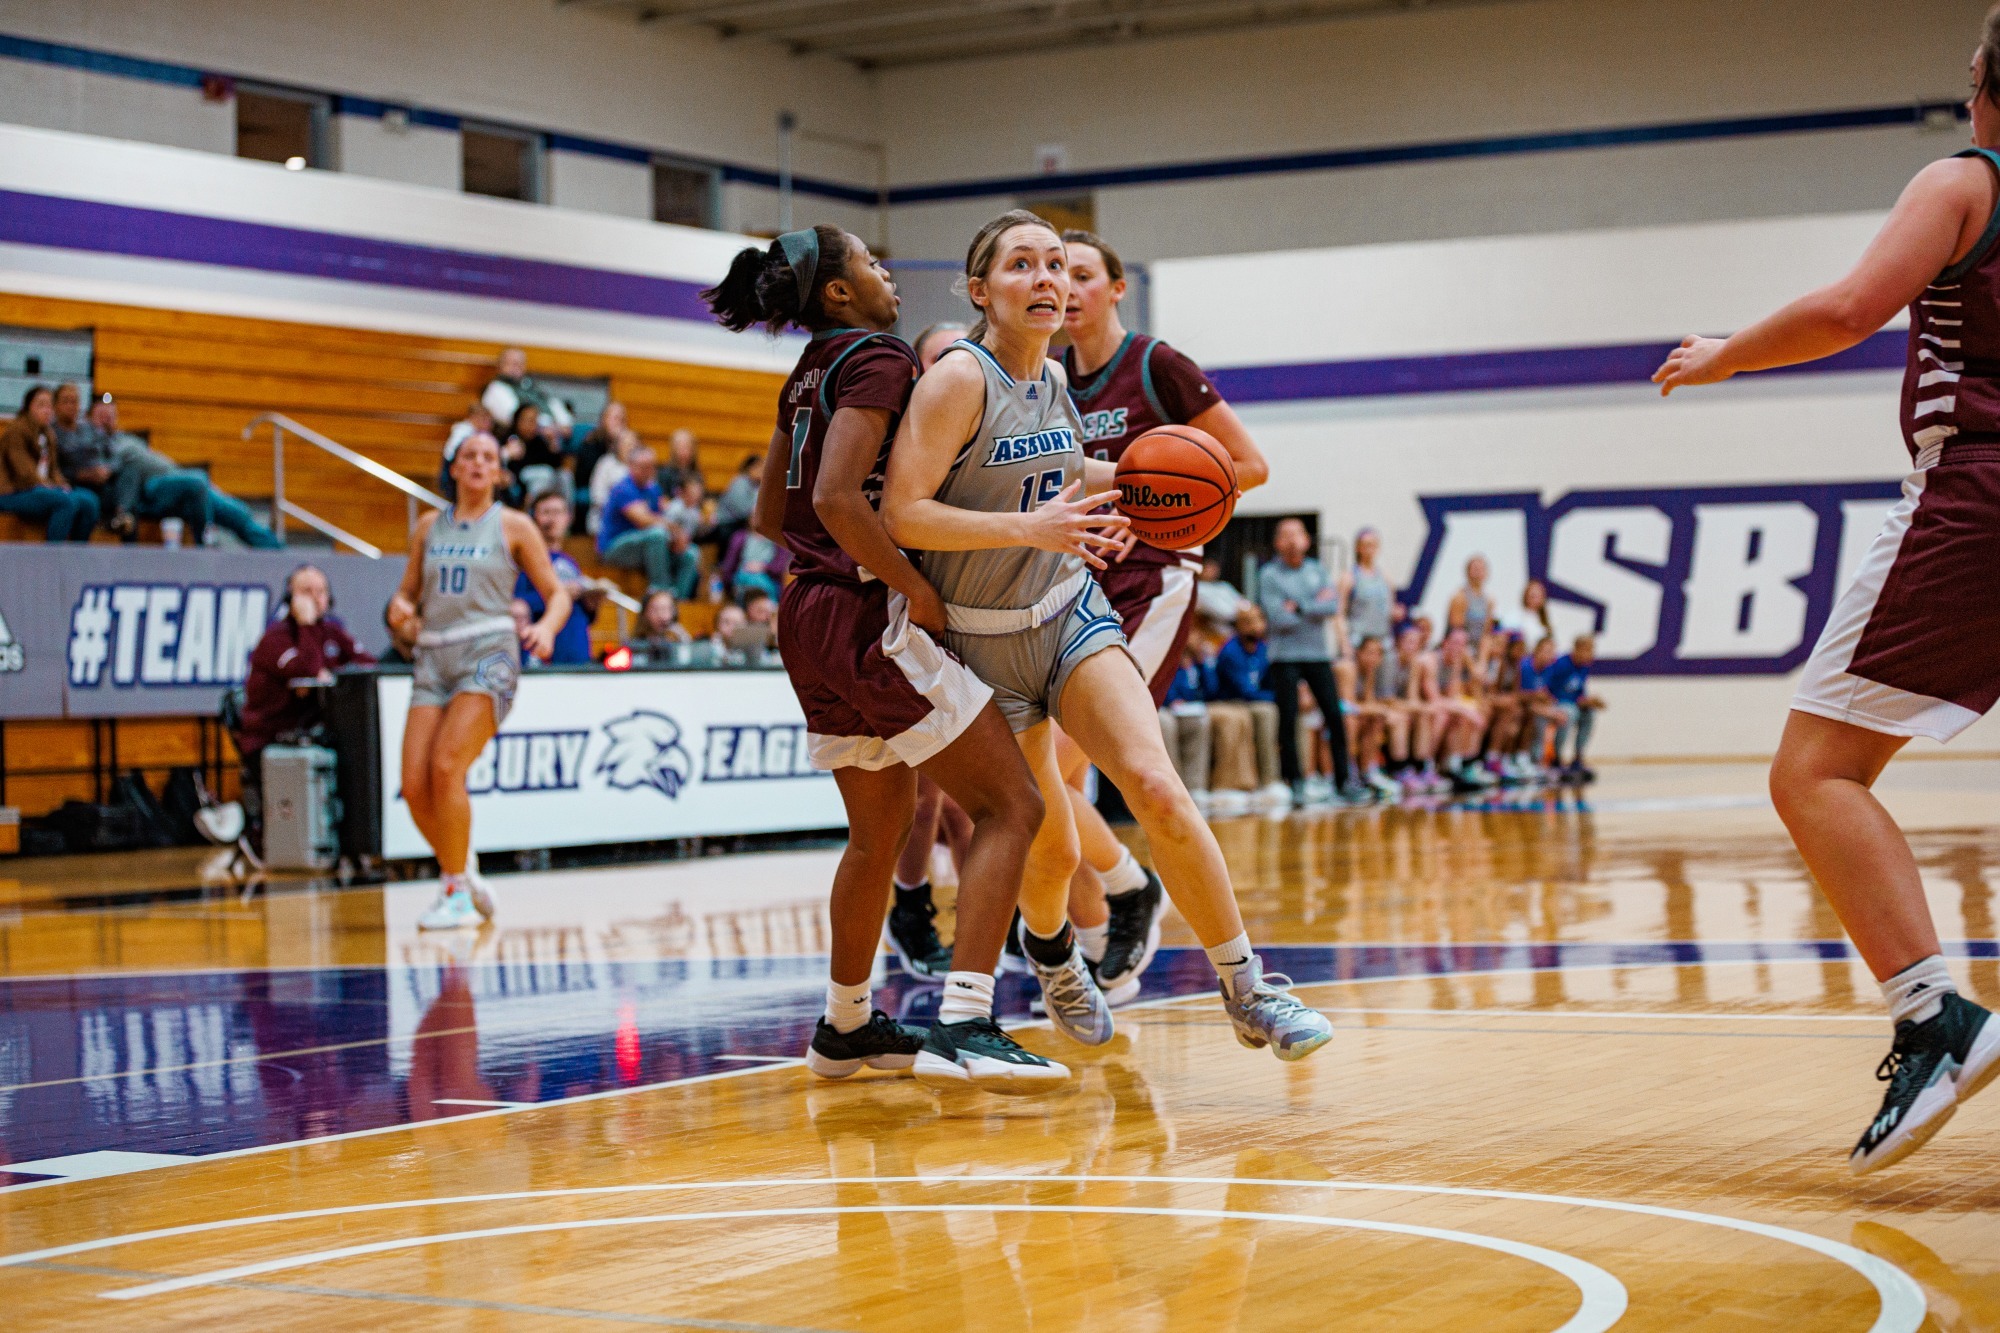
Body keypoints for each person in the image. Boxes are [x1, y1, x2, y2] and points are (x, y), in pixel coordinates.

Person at [1652, 12, 2000, 1174]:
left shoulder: (1962, 180)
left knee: (1815, 770)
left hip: (1975, 497)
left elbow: (1853, 309)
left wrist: (1722, 355)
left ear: (1981, 83)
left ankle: (1931, 1013)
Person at [883, 208, 1333, 1064]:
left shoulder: (1053, 380)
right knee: (1047, 846)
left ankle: (1248, 988)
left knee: (1157, 788)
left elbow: (1056, 471)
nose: (1048, 278)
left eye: (1057, 263)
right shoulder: (956, 381)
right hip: (983, 643)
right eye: (1023, 265)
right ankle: (1052, 956)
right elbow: (904, 512)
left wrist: (1140, 480)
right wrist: (1032, 529)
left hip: (1068, 612)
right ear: (981, 291)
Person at [704, 223, 1059, 1092]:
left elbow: (769, 512)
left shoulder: (807, 370)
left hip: (804, 612)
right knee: (1012, 805)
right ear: (836, 290)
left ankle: (848, 1024)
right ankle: (969, 1022)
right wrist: (916, 585)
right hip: (867, 612)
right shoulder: (880, 358)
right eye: (868, 262)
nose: (885, 272)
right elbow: (833, 495)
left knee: (878, 829)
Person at [1052, 228, 1277, 993]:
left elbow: (1247, 466)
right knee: (1035, 780)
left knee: (1058, 766)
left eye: (1084, 273)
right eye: (1059, 273)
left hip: (1152, 579)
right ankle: (1103, 915)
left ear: (1117, 288)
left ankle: (1124, 894)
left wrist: (1145, 512)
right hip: (1070, 578)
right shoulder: (1048, 380)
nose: (1069, 287)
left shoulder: (1156, 365)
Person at [387, 431, 571, 931]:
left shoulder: (513, 525)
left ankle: (454, 892)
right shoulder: (428, 527)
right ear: (454, 467)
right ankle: (462, 872)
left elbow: (557, 595)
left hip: (488, 651)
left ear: (498, 472)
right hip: (433, 655)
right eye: (470, 455)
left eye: (489, 456)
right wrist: (399, 613)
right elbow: (405, 597)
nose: (478, 463)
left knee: (448, 765)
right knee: (414, 785)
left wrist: (546, 628)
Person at [237, 564, 377, 849]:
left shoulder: (333, 631)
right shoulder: (275, 638)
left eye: (321, 592)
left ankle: (357, 843)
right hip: (270, 738)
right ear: (290, 599)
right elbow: (308, 667)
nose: (315, 599)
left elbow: (367, 666)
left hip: (320, 735)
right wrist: (305, 625)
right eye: (306, 592)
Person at [65, 391, 279, 548]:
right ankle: (203, 544)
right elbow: (100, 471)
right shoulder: (93, 442)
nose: (107, 418)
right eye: (101, 414)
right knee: (197, 480)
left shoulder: (127, 439)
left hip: (175, 483)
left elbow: (163, 463)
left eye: (111, 414)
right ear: (89, 418)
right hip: (150, 490)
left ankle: (280, 556)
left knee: (237, 513)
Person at [1258, 518, 1366, 806]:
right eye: (1285, 535)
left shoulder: (1317, 570)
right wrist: (1311, 605)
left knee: (1334, 714)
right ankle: (1295, 782)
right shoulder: (1269, 575)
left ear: (1307, 540)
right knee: (1289, 719)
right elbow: (1279, 617)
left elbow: (1331, 606)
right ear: (1277, 543)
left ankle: (1344, 780)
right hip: (1284, 657)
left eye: (1297, 534)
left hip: (1318, 654)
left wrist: (1300, 605)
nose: (1292, 540)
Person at [1208, 603, 1286, 809]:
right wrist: (1276, 698)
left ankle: (1276, 780)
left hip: (1253, 701)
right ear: (1239, 626)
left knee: (1276, 711)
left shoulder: (1263, 649)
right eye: (1249, 622)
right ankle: (1252, 782)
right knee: (1259, 713)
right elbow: (1245, 691)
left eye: (1259, 620)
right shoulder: (1230, 652)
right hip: (1229, 700)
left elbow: (1270, 683)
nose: (1256, 627)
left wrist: (1283, 698)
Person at [598, 443, 700, 597]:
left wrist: (676, 538)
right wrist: (674, 530)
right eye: (644, 467)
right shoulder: (623, 488)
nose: (649, 471)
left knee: (690, 553)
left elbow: (661, 519)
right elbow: (644, 520)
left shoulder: (653, 489)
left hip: (646, 547)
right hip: (614, 548)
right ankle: (661, 590)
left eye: (652, 466)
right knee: (657, 535)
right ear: (631, 466)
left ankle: (678, 602)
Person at [1, 385, 98, 541]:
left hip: (41, 488)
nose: (46, 410)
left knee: (89, 501)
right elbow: (24, 473)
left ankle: (77, 557)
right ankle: (52, 559)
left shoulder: (48, 434)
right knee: (65, 501)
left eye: (49, 406)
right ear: (27, 408)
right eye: (41, 405)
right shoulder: (16, 431)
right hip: (14, 491)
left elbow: (53, 471)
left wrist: (61, 484)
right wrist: (52, 487)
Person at [516, 489, 600, 665]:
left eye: (558, 512)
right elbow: (517, 605)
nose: (552, 519)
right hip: (546, 659)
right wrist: (559, 594)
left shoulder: (569, 561)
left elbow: (580, 614)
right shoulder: (524, 559)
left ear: (568, 518)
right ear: (534, 518)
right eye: (546, 512)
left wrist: (590, 605)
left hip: (579, 656)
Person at [1158, 642, 1214, 806]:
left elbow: (1211, 690)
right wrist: (1172, 700)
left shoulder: (1197, 663)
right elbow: (1160, 685)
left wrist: (1204, 663)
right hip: (1165, 707)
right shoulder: (1166, 656)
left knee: (1200, 722)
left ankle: (1195, 786)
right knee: (1166, 724)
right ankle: (1172, 785)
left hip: (1189, 709)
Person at [1544, 633, 1604, 782]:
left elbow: (1578, 692)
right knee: (1568, 713)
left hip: (1573, 704)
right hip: (1557, 703)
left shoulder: (1583, 668)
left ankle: (1578, 757)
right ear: (1577, 649)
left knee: (1589, 714)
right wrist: (1576, 701)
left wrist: (1588, 702)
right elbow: (1552, 690)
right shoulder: (1562, 665)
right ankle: (1556, 759)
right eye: (1587, 650)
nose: (1590, 654)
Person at [481, 348, 572, 442]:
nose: (517, 367)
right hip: (520, 441)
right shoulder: (496, 389)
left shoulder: (529, 385)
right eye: (512, 363)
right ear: (500, 366)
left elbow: (552, 403)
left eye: (521, 364)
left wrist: (564, 423)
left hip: (552, 433)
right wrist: (547, 426)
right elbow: (515, 418)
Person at [568, 401, 627, 529]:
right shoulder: (590, 442)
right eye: (615, 418)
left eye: (622, 420)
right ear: (603, 420)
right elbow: (589, 472)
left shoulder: (627, 445)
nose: (619, 423)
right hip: (595, 486)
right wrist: (615, 447)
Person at [1340, 527, 1400, 649]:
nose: (1369, 549)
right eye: (1366, 545)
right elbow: (1339, 614)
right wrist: (1344, 643)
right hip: (1358, 640)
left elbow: (1390, 609)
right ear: (1358, 548)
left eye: (1373, 545)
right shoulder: (1349, 578)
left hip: (1382, 641)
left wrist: (1395, 612)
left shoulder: (1386, 578)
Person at [710, 452, 761, 552]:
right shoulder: (739, 482)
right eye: (758, 467)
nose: (762, 471)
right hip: (728, 523)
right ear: (750, 468)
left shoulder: (757, 485)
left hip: (743, 522)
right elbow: (742, 510)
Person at [630, 589, 694, 661]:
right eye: (655, 610)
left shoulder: (679, 639)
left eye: (667, 609)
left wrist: (684, 639)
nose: (662, 616)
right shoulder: (635, 645)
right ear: (645, 613)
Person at [1447, 555, 1496, 643]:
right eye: (1475, 569)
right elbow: (1456, 630)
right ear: (1468, 572)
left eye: (1481, 569)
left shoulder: (1489, 600)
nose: (1478, 572)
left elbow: (1487, 630)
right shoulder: (1460, 597)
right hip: (1460, 644)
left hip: (1479, 645)